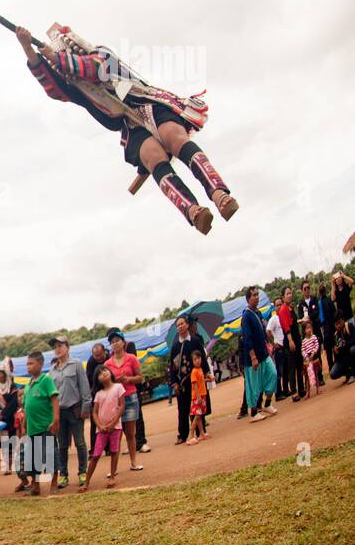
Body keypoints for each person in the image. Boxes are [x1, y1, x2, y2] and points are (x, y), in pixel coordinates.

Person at [15, 24, 235, 234]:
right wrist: (27, 48)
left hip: (147, 104)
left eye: (64, 59)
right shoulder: (77, 87)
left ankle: (218, 193)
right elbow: (54, 89)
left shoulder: (101, 55)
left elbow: (95, 69)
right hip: (128, 126)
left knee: (174, 139)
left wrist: (55, 57)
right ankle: (193, 211)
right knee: (152, 156)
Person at [47, 336, 90, 489]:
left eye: (60, 345)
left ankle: (82, 472)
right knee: (62, 445)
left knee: (80, 443)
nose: (57, 349)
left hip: (75, 410)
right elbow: (51, 395)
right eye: (55, 346)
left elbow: (84, 387)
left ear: (67, 347)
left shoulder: (76, 364)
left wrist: (86, 408)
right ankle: (63, 475)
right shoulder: (52, 371)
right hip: (60, 413)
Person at [104, 331, 144, 471]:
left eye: (117, 340)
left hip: (130, 397)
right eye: (112, 342)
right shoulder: (107, 364)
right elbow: (105, 383)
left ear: (123, 342)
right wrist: (115, 381)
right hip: (115, 401)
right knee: (116, 434)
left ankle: (133, 462)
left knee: (130, 433)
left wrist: (128, 380)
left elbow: (140, 377)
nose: (115, 343)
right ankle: (113, 469)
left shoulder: (131, 358)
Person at [20, 352, 59, 497]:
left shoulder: (46, 380)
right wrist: (24, 425)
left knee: (50, 455)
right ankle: (35, 485)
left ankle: (54, 482)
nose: (28, 366)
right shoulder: (28, 385)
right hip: (32, 428)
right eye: (27, 364)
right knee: (32, 458)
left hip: (45, 426)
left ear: (41, 364)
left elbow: (55, 400)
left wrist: (56, 420)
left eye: (31, 363)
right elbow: (26, 408)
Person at [82, 365, 124, 491]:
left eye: (105, 370)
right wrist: (100, 425)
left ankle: (112, 476)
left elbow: (122, 406)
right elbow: (94, 412)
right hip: (101, 429)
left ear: (110, 372)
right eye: (100, 373)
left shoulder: (118, 387)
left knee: (114, 451)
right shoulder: (98, 394)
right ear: (97, 379)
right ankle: (86, 482)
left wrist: (113, 423)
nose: (104, 373)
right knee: (95, 455)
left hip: (115, 427)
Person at [167, 315, 207, 444]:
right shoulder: (175, 347)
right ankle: (183, 434)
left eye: (182, 323)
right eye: (178, 325)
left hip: (195, 380)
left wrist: (206, 373)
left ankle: (200, 432)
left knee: (197, 406)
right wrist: (174, 383)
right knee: (183, 408)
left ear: (187, 325)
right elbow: (172, 367)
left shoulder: (195, 341)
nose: (180, 326)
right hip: (182, 383)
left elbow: (203, 358)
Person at [240, 286, 272, 421]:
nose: (257, 297)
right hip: (252, 358)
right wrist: (253, 357)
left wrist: (269, 344)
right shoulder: (246, 316)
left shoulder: (258, 313)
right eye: (254, 295)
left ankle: (267, 403)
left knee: (272, 374)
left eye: (258, 294)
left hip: (264, 354)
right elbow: (247, 339)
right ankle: (253, 412)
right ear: (248, 299)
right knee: (253, 385)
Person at [0, 360, 18, 476]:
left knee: (8, 443)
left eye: (0, 373)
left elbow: (13, 403)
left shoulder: (12, 387)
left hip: (8, 419)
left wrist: (3, 414)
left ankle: (8, 466)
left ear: (5, 374)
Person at [187, 348, 209, 445]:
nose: (197, 360)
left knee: (199, 416)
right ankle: (190, 435)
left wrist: (208, 380)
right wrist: (199, 397)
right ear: (192, 361)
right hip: (197, 397)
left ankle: (201, 433)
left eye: (198, 358)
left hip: (202, 395)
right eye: (195, 359)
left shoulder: (200, 370)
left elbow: (201, 381)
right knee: (196, 416)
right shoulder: (194, 372)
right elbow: (195, 385)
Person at [300, 320, 322, 400]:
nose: (309, 330)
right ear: (304, 331)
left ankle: (318, 389)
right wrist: (306, 356)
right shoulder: (303, 341)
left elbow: (317, 345)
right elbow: (302, 350)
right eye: (307, 328)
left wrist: (313, 353)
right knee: (307, 377)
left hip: (314, 357)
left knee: (315, 374)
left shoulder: (314, 337)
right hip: (307, 360)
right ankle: (308, 392)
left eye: (310, 328)